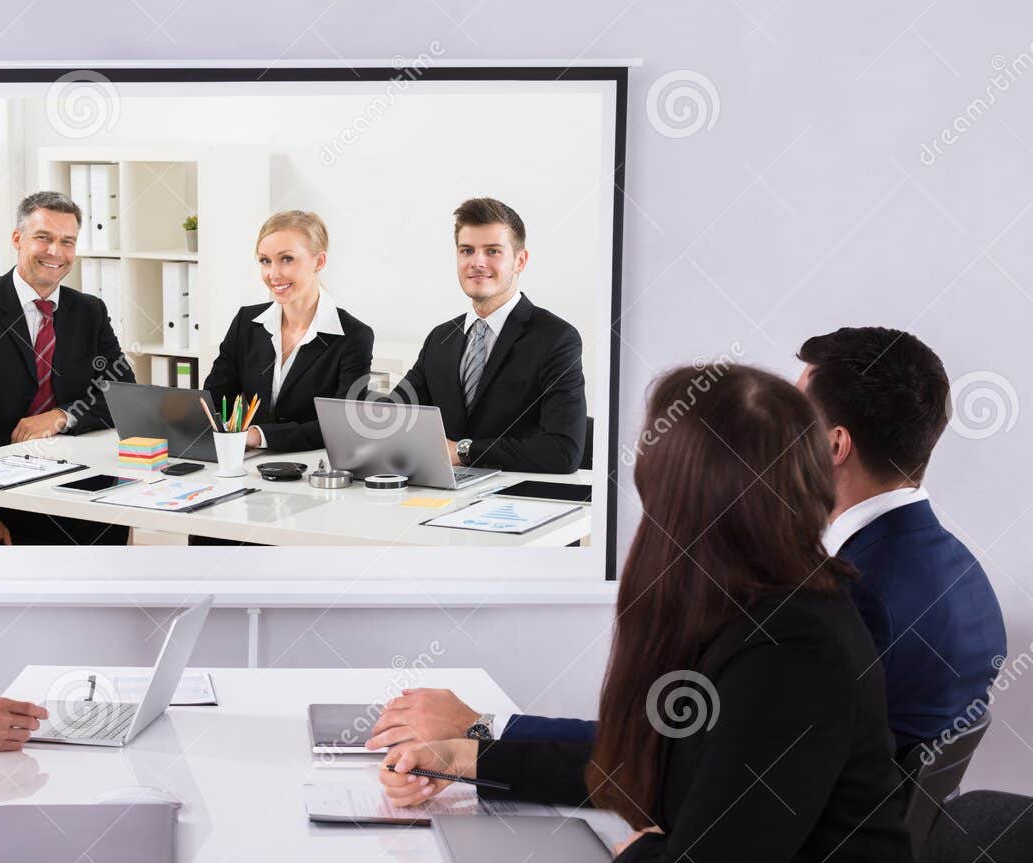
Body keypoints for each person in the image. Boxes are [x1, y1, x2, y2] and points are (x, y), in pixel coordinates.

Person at [384, 366, 967, 863]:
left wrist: (636, 855)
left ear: (681, 496)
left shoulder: (793, 648)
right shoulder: (752, 608)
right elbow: (650, 765)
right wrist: (470, 756)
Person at [371, 327, 1007, 798]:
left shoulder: (847, 601)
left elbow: (682, 761)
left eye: (794, 419)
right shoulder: (959, 571)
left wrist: (484, 731)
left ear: (834, 447)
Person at [0, 190, 133, 546]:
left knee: (113, 531)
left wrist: (63, 416)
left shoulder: (89, 311)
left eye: (67, 242)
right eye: (43, 238)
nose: (56, 252)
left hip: (63, 483)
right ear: (18, 239)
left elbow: (123, 394)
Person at [399, 197, 585, 473]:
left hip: (515, 493)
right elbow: (395, 415)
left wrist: (463, 451)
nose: (477, 262)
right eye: (467, 250)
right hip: (439, 489)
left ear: (520, 261)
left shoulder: (556, 339)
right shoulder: (440, 339)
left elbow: (563, 451)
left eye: (493, 251)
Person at [203, 210, 374, 454]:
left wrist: (258, 436)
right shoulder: (246, 322)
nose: (274, 274)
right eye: (265, 261)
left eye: (287, 259)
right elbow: (214, 400)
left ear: (319, 262)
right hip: (246, 461)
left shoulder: (354, 336)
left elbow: (342, 424)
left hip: (310, 463)